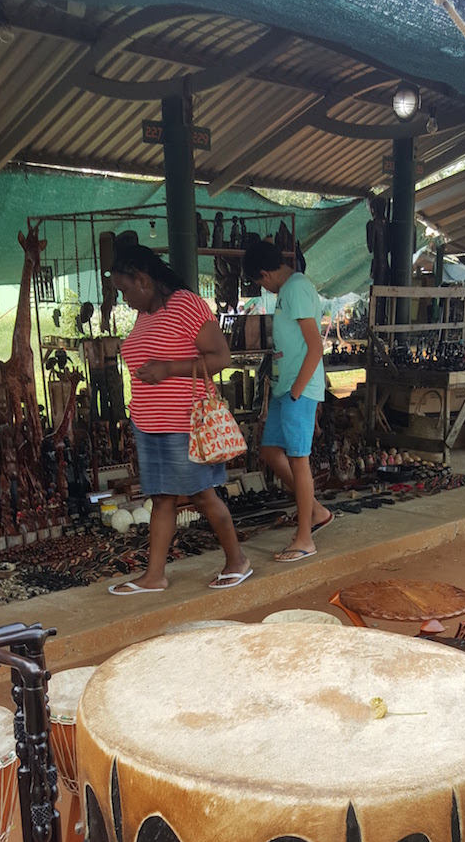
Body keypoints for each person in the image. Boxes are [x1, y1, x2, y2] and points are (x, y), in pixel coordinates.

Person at [107, 244, 251, 594]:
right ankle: (154, 576)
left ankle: (237, 561)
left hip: (183, 422)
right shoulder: (145, 316)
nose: (124, 299)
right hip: (148, 423)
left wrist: (167, 369)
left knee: (202, 496)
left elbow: (221, 356)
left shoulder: (186, 305)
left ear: (143, 280)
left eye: (125, 290)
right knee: (162, 498)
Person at [242, 239, 332, 562]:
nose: (262, 288)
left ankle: (305, 538)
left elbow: (315, 347)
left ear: (264, 274)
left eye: (259, 283)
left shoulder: (295, 289)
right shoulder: (287, 293)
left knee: (299, 460)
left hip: (299, 389)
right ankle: (317, 511)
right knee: (269, 451)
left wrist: (296, 391)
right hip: (286, 389)